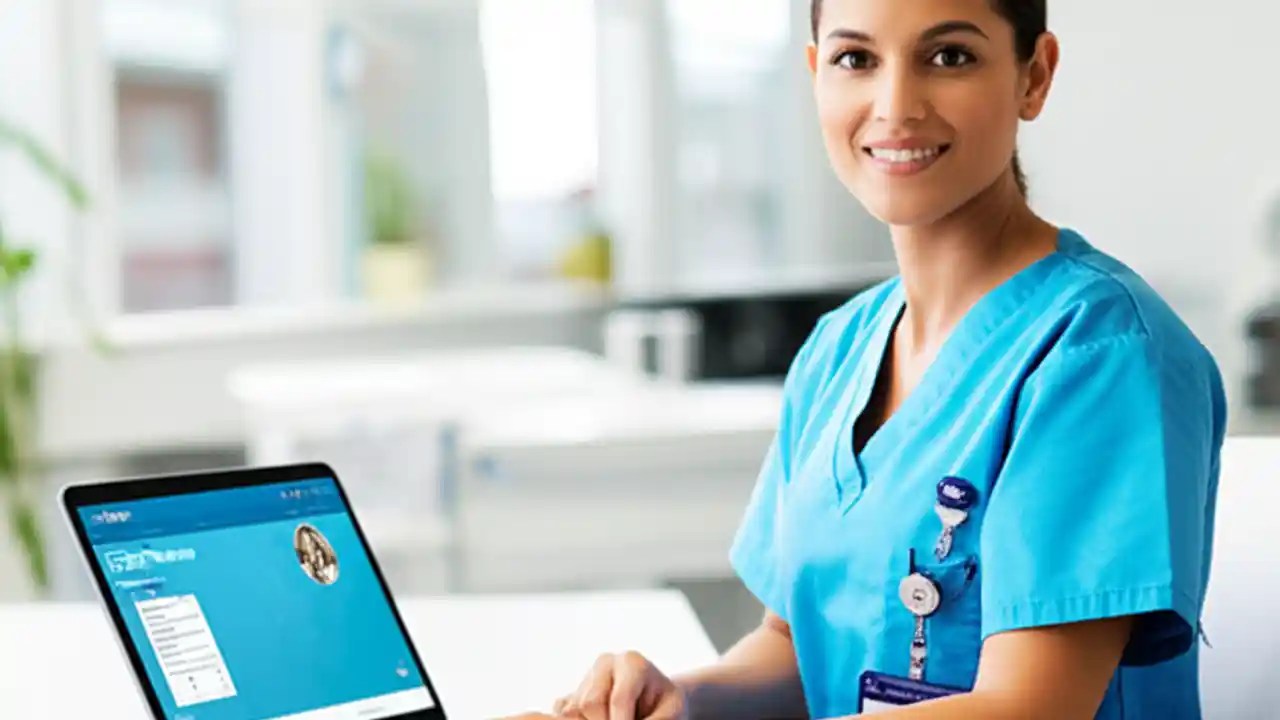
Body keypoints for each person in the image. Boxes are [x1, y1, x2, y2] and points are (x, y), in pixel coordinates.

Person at [506, 0, 1226, 717]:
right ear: (817, 75)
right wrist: (682, 702)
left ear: (1033, 77)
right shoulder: (836, 351)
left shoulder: (1099, 352)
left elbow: (1030, 707)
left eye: (949, 57)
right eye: (856, 60)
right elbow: (794, 652)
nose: (896, 106)